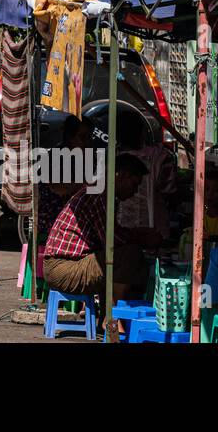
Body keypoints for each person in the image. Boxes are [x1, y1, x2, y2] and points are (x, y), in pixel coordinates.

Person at [41, 153, 158, 305]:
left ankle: (110, 313)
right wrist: (141, 236)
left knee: (131, 262)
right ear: (122, 175)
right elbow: (112, 239)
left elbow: (111, 234)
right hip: (63, 268)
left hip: (67, 264)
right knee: (130, 255)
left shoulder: (102, 192)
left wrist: (136, 234)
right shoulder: (100, 194)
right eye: (134, 184)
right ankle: (113, 318)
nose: (135, 191)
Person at [116, 108, 176, 242]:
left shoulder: (112, 158)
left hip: (122, 230)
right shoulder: (160, 158)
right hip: (154, 230)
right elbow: (169, 191)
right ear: (142, 132)